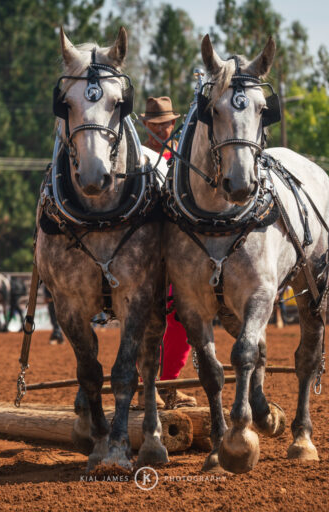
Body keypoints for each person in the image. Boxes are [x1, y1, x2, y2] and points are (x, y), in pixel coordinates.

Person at [139, 96, 196, 409]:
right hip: (143, 250)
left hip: (177, 248)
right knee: (143, 317)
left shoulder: (184, 157)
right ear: (147, 125)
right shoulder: (137, 157)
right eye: (157, 124)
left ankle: (171, 384)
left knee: (181, 316)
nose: (163, 128)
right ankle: (143, 385)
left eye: (168, 123)